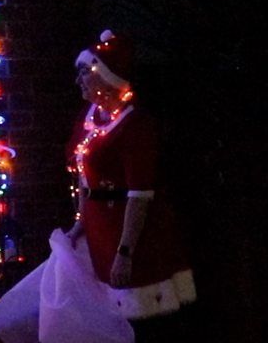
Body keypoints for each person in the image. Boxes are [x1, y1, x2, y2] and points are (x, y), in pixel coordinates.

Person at [66, 29, 197, 340]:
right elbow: (83, 177)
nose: (79, 82)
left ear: (106, 79)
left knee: (144, 321)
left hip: (131, 235)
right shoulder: (90, 118)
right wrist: (80, 224)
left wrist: (125, 252)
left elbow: (139, 195)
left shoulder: (135, 125)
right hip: (100, 231)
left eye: (86, 74)